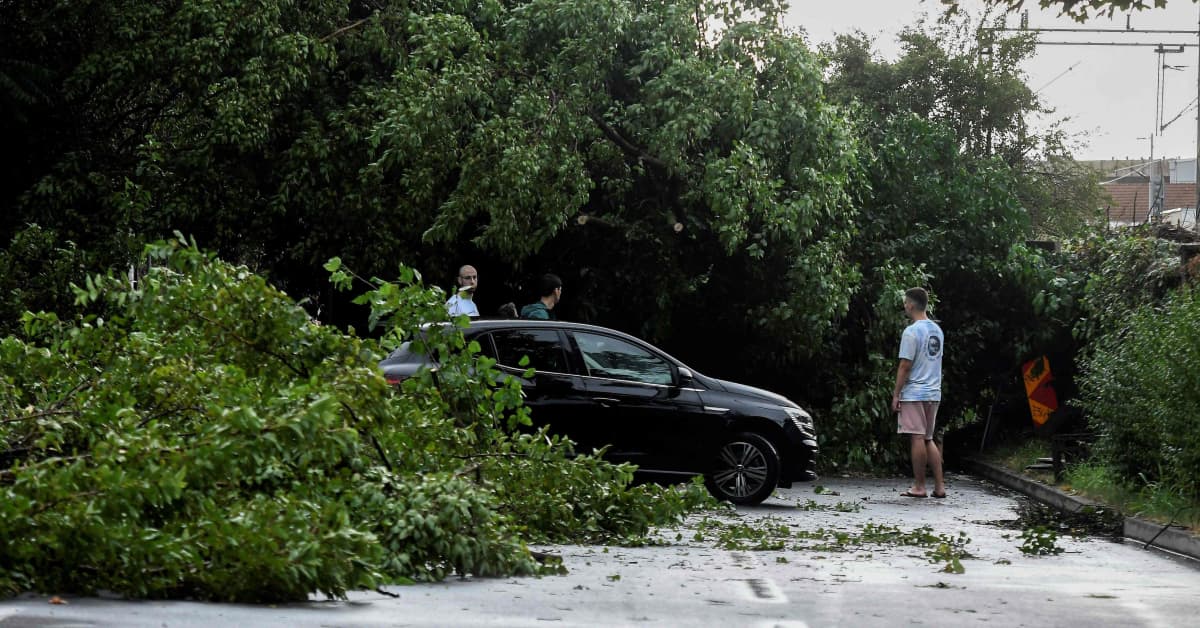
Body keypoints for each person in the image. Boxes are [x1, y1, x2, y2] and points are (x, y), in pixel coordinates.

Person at [892, 287, 946, 499]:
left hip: (915, 392)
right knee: (928, 438)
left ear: (912, 304)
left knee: (917, 437)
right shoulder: (937, 330)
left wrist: (896, 394)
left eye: (906, 302)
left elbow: (905, 365)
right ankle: (940, 487)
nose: (905, 305)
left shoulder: (911, 331)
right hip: (934, 392)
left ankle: (920, 486)